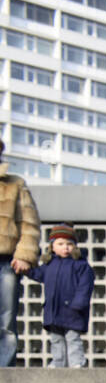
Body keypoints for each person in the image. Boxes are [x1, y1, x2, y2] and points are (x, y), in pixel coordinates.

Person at [24, 224, 96, 368]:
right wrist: (25, 269)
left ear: (75, 246)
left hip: (73, 311)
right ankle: (59, 362)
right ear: (52, 246)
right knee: (56, 339)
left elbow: (85, 286)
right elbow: (38, 274)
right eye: (60, 244)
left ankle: (77, 363)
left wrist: (78, 304)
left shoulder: (80, 265)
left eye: (69, 244)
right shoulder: (49, 265)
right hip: (53, 310)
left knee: (72, 338)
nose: (65, 247)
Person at [0, 138, 43, 366]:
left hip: (6, 262)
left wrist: (24, 255)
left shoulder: (15, 184)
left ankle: (3, 374)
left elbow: (29, 222)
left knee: (5, 321)